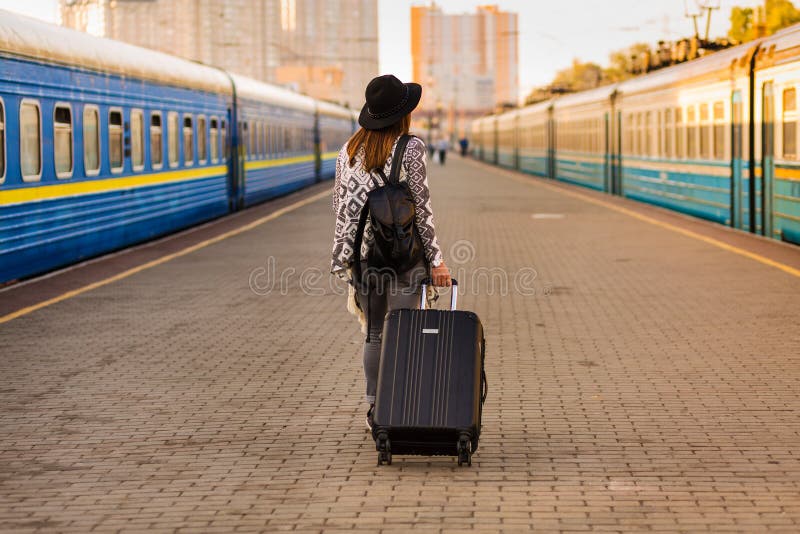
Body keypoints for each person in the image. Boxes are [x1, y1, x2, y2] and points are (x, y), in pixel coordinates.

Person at [331, 74, 451, 430]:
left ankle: (376, 411)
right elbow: (421, 207)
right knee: (405, 330)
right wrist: (437, 260)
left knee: (376, 334)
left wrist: (347, 254)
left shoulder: (347, 150)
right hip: (401, 256)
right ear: (403, 115)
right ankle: (405, 404)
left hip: (363, 256)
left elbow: (339, 205)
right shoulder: (409, 148)